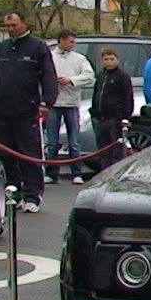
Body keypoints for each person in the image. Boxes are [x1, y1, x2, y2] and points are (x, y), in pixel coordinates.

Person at [0, 11, 57, 213]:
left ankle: (33, 195)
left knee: (29, 154)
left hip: (26, 111)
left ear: (24, 24)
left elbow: (48, 76)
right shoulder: (1, 48)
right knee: (4, 153)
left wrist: (46, 102)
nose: (10, 29)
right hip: (2, 111)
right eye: (7, 26)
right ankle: (14, 191)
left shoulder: (38, 47)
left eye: (14, 25)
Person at [44, 30, 95, 185]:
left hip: (72, 103)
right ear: (62, 40)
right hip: (53, 103)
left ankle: (76, 172)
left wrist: (71, 80)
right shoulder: (49, 57)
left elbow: (89, 76)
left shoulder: (79, 59)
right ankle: (52, 173)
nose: (73, 45)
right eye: (70, 42)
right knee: (52, 141)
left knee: (74, 140)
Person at [90, 48, 135, 171]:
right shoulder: (100, 76)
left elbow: (128, 97)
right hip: (100, 118)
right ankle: (104, 171)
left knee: (116, 150)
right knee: (103, 150)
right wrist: (93, 112)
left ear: (117, 60)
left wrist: (126, 116)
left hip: (115, 119)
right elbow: (96, 94)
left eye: (111, 59)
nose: (108, 62)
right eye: (106, 59)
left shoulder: (122, 77)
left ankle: (116, 172)